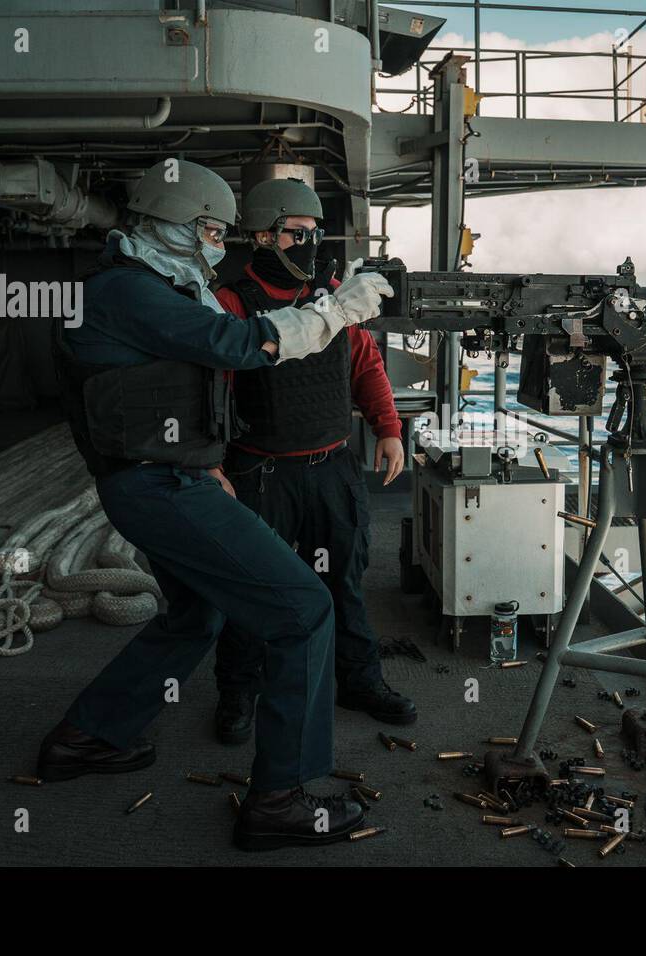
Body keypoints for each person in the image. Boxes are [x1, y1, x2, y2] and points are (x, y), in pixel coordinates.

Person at [35, 159, 394, 851]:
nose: (215, 243)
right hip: (160, 487)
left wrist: (207, 461)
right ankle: (280, 800)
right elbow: (241, 343)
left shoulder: (155, 288)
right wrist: (338, 308)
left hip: (171, 479)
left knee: (196, 615)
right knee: (301, 610)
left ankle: (87, 738)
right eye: (206, 228)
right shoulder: (127, 292)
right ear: (167, 226)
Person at [210, 177, 416, 745]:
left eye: (314, 233)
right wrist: (210, 465)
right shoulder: (231, 303)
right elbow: (210, 389)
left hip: (330, 470)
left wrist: (388, 429)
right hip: (259, 474)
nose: (309, 243)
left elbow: (366, 364)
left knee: (343, 582)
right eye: (297, 233)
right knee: (251, 588)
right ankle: (238, 691)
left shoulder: (334, 295)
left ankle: (358, 680)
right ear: (261, 235)